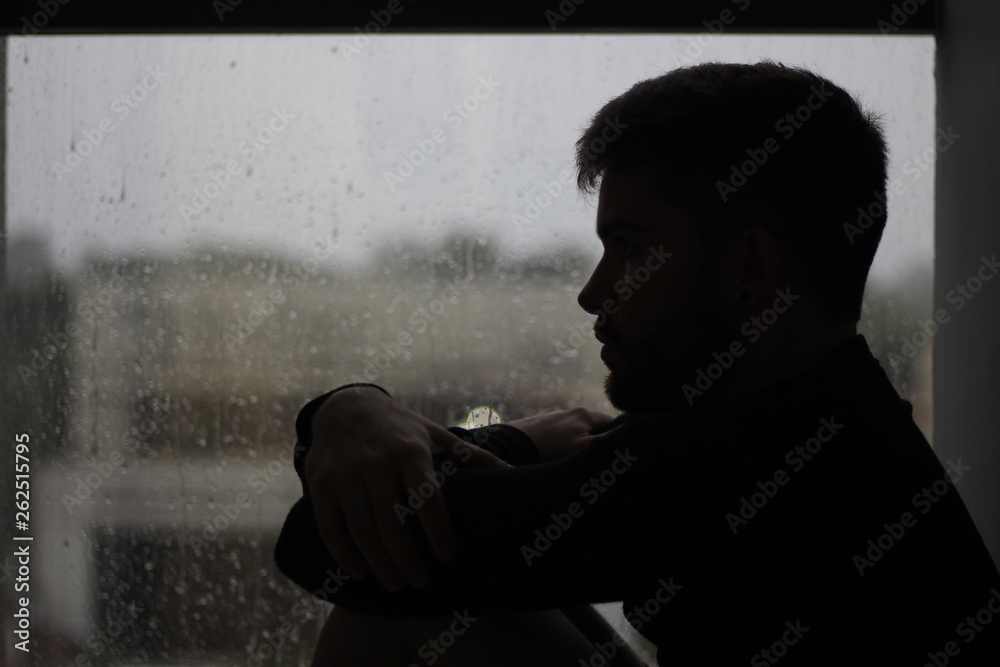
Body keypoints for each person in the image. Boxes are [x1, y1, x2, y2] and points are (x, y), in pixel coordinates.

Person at [275, 62, 1000, 665]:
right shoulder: (839, 421)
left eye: (632, 250)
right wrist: (356, 413)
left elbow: (320, 544)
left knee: (401, 619)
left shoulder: (728, 462)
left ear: (750, 267)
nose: (593, 293)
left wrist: (379, 415)